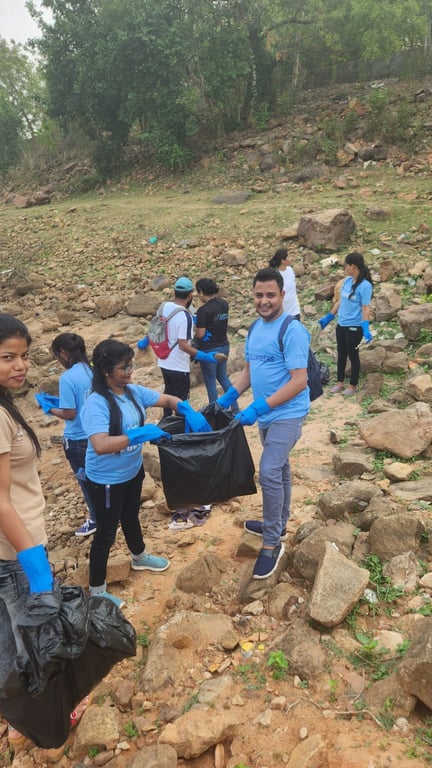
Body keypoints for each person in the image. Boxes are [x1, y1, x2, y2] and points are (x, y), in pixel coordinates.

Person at [80, 339, 211, 609]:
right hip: (106, 480)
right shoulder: (96, 403)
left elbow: (167, 399)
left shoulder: (131, 391)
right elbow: (100, 444)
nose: (130, 371)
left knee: (130, 515)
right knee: (106, 532)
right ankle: (97, 590)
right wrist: (138, 434)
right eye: (123, 367)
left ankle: (139, 557)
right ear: (106, 371)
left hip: (131, 471)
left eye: (131, 365)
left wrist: (184, 407)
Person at [215, 268, 310, 580]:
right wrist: (228, 396)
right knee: (279, 468)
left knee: (269, 470)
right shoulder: (255, 328)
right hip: (266, 413)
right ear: (252, 296)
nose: (264, 301)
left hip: (288, 412)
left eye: (271, 295)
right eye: (259, 295)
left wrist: (259, 406)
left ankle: (272, 544)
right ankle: (277, 523)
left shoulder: (292, 331)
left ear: (283, 295)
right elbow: (248, 371)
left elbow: (299, 381)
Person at [0, 314, 54, 747]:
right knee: (35, 641)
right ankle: (44, 719)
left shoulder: (6, 404)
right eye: (7, 357)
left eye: (25, 356)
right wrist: (34, 563)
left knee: (6, 643)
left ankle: (16, 713)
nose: (20, 366)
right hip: (15, 552)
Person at [37, 333, 97, 537]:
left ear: (63, 353)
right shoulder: (92, 370)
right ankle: (110, 513)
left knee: (86, 481)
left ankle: (96, 519)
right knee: (101, 476)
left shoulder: (68, 377)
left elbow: (70, 413)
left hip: (77, 438)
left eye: (57, 357)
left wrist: (49, 408)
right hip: (96, 433)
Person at [138, 276, 221, 417]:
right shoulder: (185, 317)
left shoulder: (164, 306)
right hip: (178, 364)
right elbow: (183, 345)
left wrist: (146, 341)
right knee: (181, 401)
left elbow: (156, 329)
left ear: (174, 292)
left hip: (164, 361)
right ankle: (180, 428)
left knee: (168, 394)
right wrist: (203, 355)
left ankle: (167, 423)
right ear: (190, 295)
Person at [317, 252, 373, 396]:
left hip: (354, 326)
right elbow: (341, 301)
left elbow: (365, 308)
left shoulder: (365, 286)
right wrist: (329, 316)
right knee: (341, 354)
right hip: (341, 324)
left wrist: (365, 327)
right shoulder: (347, 282)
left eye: (346, 265)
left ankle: (353, 385)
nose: (344, 268)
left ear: (353, 266)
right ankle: (340, 382)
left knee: (353, 355)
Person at [194, 277, 238, 410]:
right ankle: (235, 408)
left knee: (211, 382)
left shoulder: (203, 311)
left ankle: (216, 411)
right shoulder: (223, 304)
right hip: (224, 345)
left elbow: (200, 334)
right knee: (223, 377)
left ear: (201, 292)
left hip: (210, 350)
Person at [269, 248, 301, 320]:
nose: (291, 258)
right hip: (282, 313)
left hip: (295, 310)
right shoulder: (275, 275)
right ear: (283, 260)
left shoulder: (290, 270)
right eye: (288, 257)